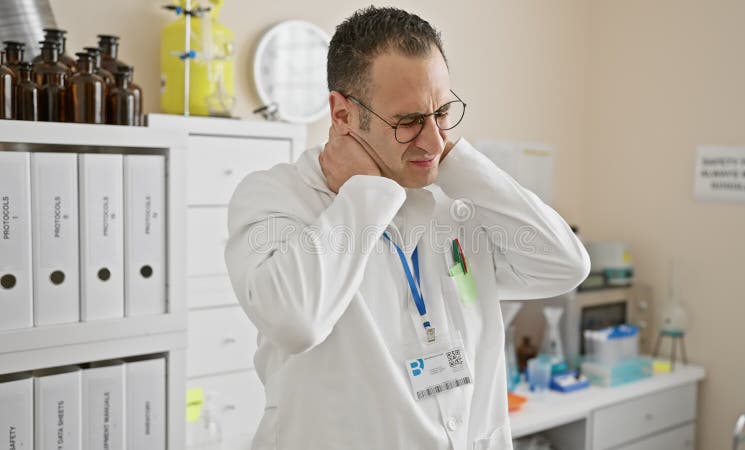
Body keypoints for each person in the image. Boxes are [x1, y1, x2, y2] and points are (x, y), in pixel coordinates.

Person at [225, 6, 590, 449]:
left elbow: (565, 265)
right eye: (409, 121)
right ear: (342, 115)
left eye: (442, 112)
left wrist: (461, 166)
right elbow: (297, 321)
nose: (433, 140)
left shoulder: (454, 201)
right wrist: (364, 194)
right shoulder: (277, 197)